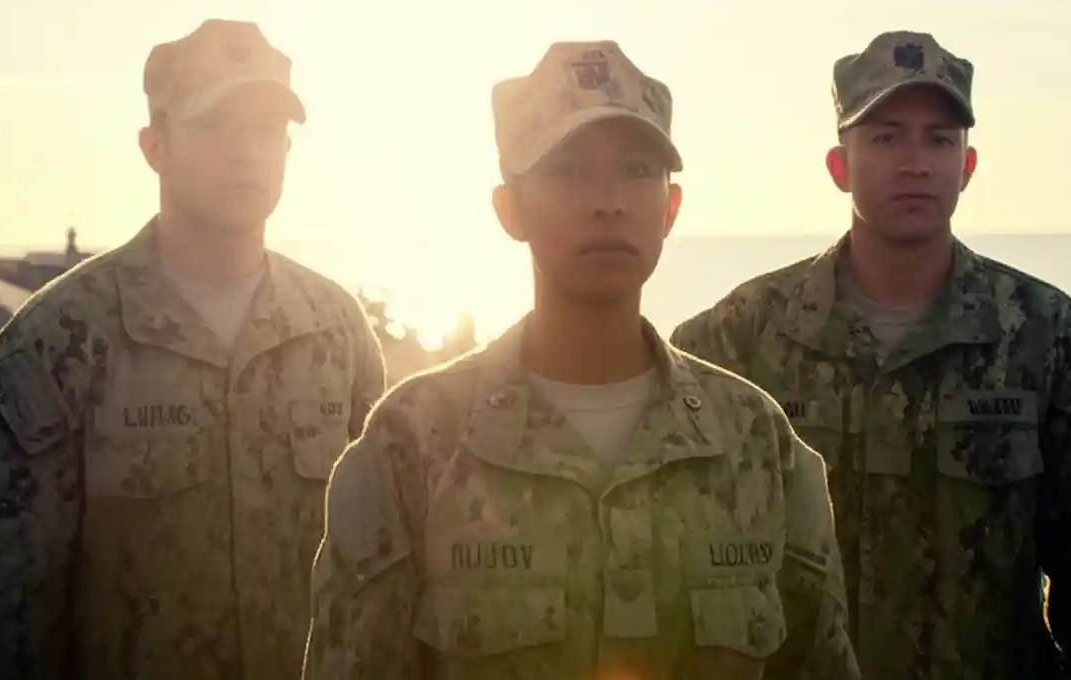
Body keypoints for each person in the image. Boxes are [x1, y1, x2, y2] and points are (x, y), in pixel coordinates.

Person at [302, 40, 860, 679]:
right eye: (567, 169)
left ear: (670, 209)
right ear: (508, 209)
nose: (607, 200)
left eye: (636, 169)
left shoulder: (758, 442)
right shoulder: (413, 443)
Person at [670, 30, 1071, 679]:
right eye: (885, 136)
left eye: (938, 139)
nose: (915, 161)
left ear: (968, 164)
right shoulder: (735, 342)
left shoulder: (1052, 342)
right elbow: (675, 570)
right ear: (839, 164)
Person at [0, 19, 386, 680]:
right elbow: (3, 635)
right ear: (155, 146)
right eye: (215, 124)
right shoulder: (56, 347)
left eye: (267, 127)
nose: (246, 151)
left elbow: (378, 588)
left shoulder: (337, 333)